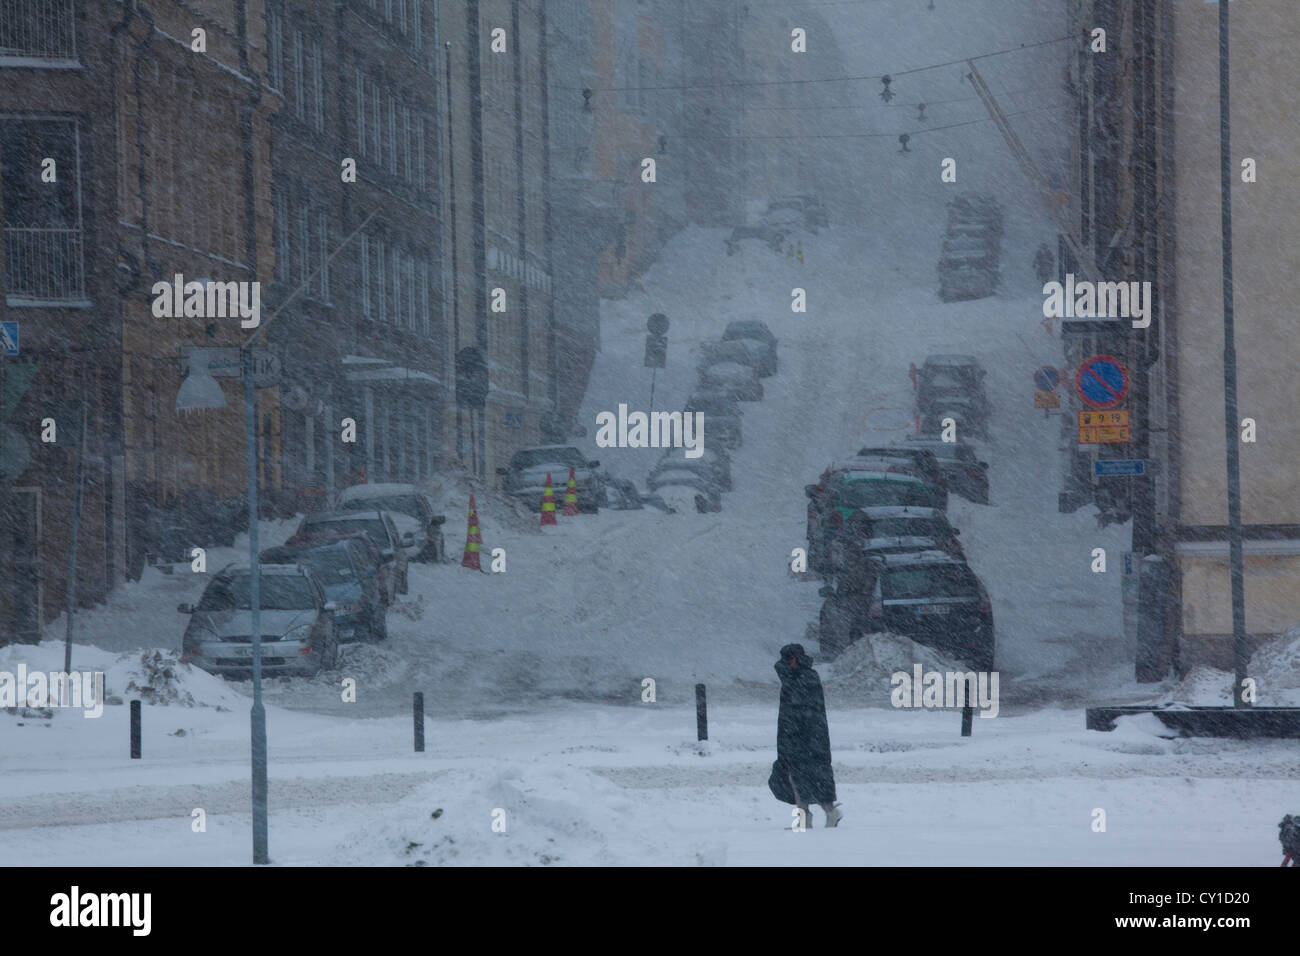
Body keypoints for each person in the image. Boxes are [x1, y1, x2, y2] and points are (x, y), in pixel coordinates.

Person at [768, 644, 842, 828]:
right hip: (800, 737)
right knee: (798, 778)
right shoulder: (799, 677)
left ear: (797, 659)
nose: (787, 663)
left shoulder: (803, 678)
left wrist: (794, 735)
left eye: (790, 659)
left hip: (805, 738)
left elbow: (800, 712)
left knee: (807, 778)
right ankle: (813, 816)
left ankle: (826, 813)